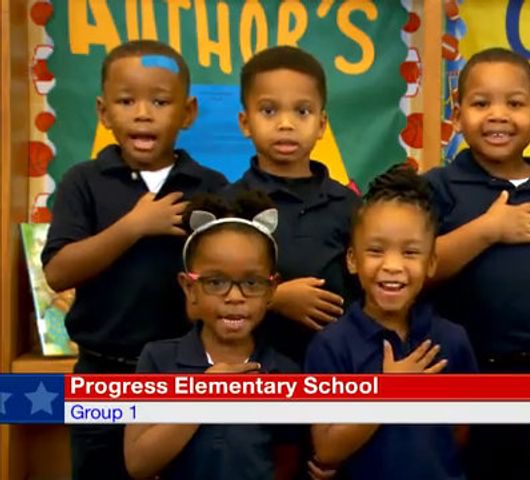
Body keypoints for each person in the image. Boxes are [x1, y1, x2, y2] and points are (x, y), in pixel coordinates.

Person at [41, 40, 227, 479]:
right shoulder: (82, 181)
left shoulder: (211, 185)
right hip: (102, 369)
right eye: (127, 101)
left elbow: (230, 271)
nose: (143, 113)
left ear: (187, 112)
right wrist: (132, 226)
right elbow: (57, 272)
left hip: (186, 369)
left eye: (160, 101)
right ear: (104, 113)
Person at [424, 47, 530, 478]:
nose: (498, 115)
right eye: (481, 103)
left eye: (515, 103)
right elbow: (413, 272)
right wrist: (488, 230)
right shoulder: (435, 189)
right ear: (458, 112)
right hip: (461, 375)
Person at [305, 164, 478, 480]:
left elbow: (459, 433)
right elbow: (327, 448)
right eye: (375, 251)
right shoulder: (332, 345)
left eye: (410, 252)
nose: (393, 266)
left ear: (431, 263)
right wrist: (387, 391)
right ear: (353, 259)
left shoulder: (451, 340)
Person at [124, 191, 301, 480]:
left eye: (252, 283)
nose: (234, 297)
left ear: (271, 290)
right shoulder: (158, 360)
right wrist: (203, 397)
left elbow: (286, 462)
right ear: (189, 287)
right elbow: (139, 464)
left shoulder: (285, 373)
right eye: (216, 282)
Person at [227, 45, 359, 364]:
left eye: (302, 111)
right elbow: (201, 299)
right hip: (253, 380)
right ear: (245, 122)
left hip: (334, 378)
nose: (286, 124)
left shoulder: (349, 205)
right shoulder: (228, 204)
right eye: (269, 111)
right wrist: (274, 298)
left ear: (322, 124)